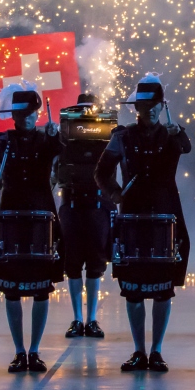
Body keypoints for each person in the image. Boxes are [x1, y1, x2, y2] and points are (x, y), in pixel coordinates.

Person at [94, 74, 191, 372]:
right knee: (133, 290)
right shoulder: (121, 137)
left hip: (165, 214)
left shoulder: (174, 134)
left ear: (162, 106)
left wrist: (176, 134)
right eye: (141, 105)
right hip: (132, 216)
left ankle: (157, 351)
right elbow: (101, 172)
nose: (146, 110)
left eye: (152, 105)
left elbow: (186, 147)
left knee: (163, 289)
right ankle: (139, 351)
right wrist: (113, 193)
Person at [0, 85, 64, 373]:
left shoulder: (47, 139)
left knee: (41, 289)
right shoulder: (2, 143)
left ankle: (35, 350)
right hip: (11, 217)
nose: (26, 118)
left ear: (37, 114)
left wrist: (57, 137)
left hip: (41, 219)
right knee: (11, 289)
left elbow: (69, 158)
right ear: (13, 114)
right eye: (21, 113)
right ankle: (18, 351)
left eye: (30, 113)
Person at [55, 94, 116, 339]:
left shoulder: (108, 138)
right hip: (71, 206)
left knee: (95, 265)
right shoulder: (64, 139)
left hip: (98, 206)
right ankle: (77, 318)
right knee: (72, 265)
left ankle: (90, 319)